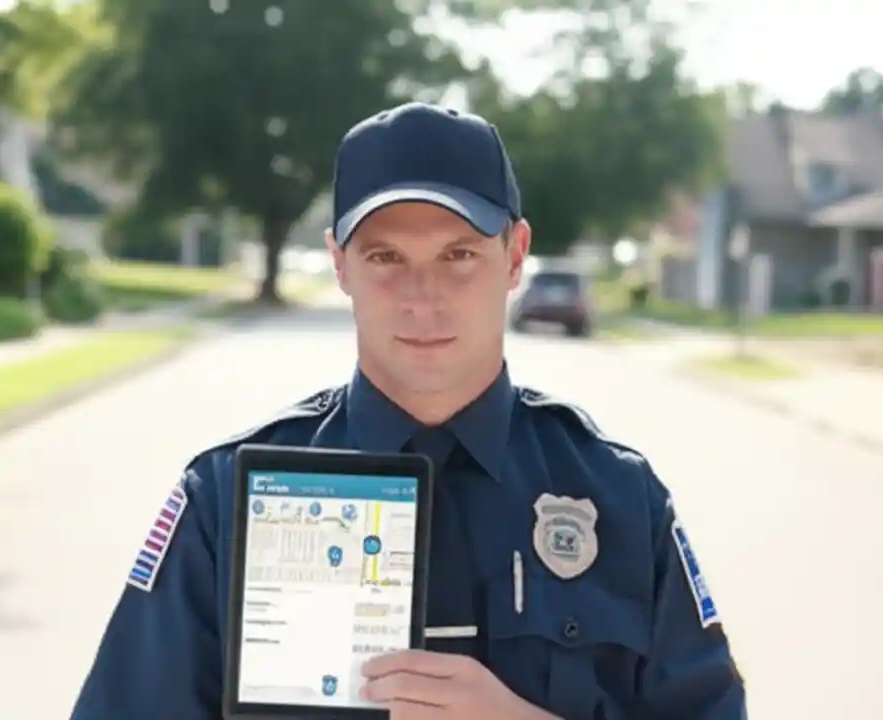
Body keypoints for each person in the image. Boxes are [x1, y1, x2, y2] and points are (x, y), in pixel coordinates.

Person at [70, 101, 746, 720]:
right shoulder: (226, 500)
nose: (423, 297)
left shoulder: (620, 499)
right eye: (386, 256)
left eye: (458, 255)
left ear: (514, 256)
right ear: (339, 262)